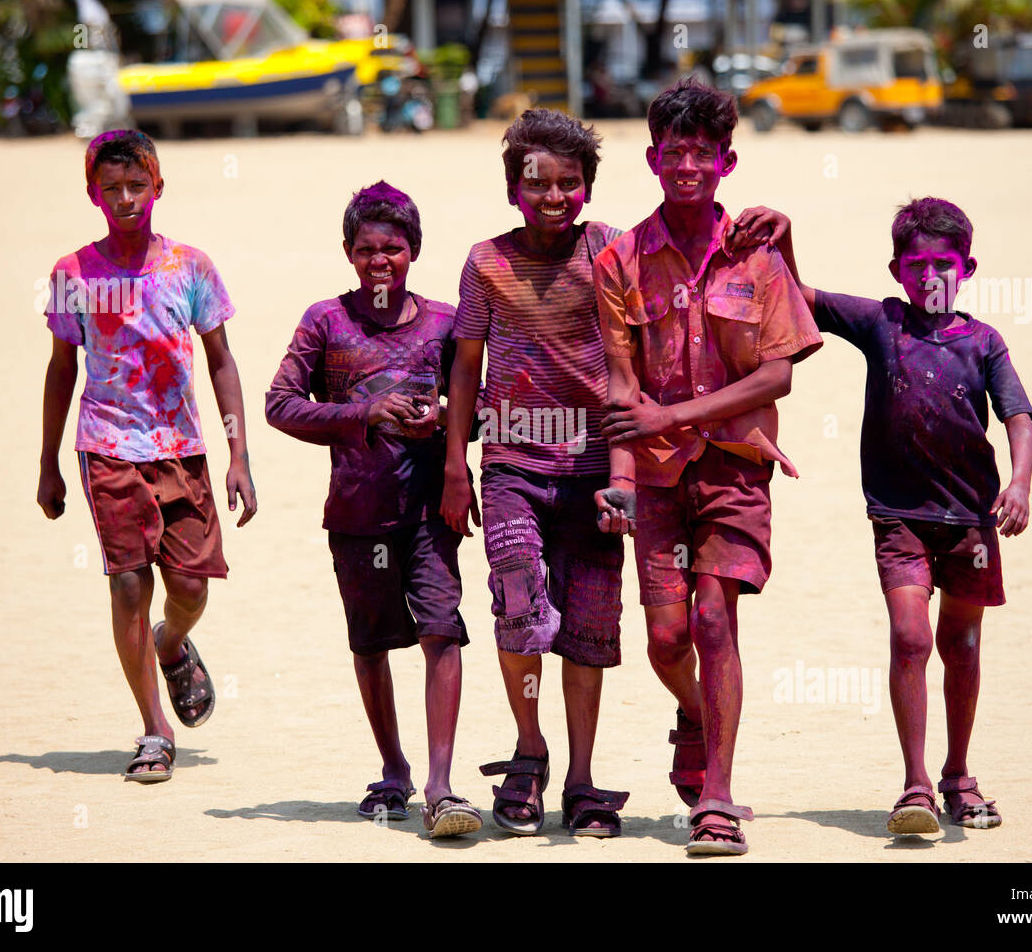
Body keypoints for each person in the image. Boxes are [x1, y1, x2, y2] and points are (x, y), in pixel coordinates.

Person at [739, 196, 1032, 835]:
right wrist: (786, 234)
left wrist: (1019, 484)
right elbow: (799, 293)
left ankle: (959, 774)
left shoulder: (985, 342)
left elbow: (1018, 416)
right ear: (898, 269)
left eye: (945, 264)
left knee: (961, 642)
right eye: (918, 265)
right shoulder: (883, 323)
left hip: (972, 522)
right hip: (898, 516)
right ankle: (917, 783)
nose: (931, 277)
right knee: (910, 637)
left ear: (968, 267)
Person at [592, 79, 822, 856]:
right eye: (673, 152)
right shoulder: (621, 259)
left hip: (735, 466)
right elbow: (622, 382)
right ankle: (694, 714)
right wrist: (623, 473)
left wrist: (675, 416)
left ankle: (716, 797)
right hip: (655, 475)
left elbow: (778, 373)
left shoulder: (756, 252)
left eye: (702, 152)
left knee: (715, 617)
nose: (686, 164)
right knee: (664, 638)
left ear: (725, 161)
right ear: (653, 159)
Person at [37, 129, 258, 783]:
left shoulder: (190, 267)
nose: (125, 199)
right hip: (106, 444)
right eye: (112, 189)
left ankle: (172, 641)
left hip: (181, 446)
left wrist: (237, 452)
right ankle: (155, 730)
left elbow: (221, 360)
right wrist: (48, 462)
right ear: (93, 194)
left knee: (188, 586)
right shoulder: (72, 274)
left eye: (137, 185)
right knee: (129, 581)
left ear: (157, 186)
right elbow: (60, 369)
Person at [265, 182, 481, 839]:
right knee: (371, 642)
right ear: (347, 253)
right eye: (366, 250)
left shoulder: (446, 324)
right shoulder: (325, 322)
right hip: (356, 514)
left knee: (441, 629)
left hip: (429, 514)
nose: (379, 260)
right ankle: (393, 769)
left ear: (414, 251)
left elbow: (479, 410)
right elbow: (279, 403)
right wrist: (363, 412)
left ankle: (441, 787)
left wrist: (442, 421)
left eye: (392, 248)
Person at [442, 109, 633, 837]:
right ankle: (529, 751)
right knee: (517, 602)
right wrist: (456, 466)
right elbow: (466, 370)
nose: (553, 197)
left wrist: (624, 475)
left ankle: (582, 779)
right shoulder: (485, 263)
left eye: (569, 184)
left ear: (587, 187)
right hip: (512, 464)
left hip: (594, 470)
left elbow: (629, 365)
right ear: (513, 188)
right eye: (538, 184)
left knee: (587, 627)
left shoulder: (611, 254)